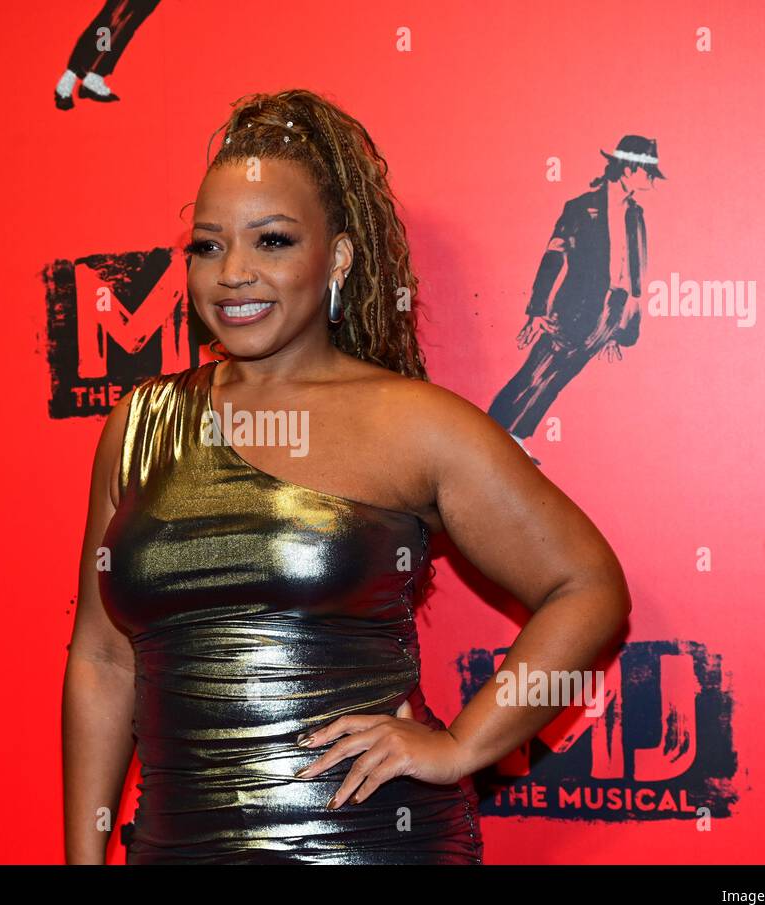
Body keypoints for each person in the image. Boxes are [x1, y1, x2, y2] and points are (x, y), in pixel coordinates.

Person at [62, 90, 631, 864]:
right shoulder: (139, 425)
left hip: (369, 845)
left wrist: (463, 744)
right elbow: (102, 661)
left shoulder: (413, 422)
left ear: (337, 259)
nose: (234, 274)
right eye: (207, 245)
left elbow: (588, 587)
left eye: (272, 242)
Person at [488, 135, 664, 464]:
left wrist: (621, 327)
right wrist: (538, 309)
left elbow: (635, 274)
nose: (652, 178)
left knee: (559, 378)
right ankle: (489, 437)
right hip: (575, 308)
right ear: (628, 169)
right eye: (648, 171)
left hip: (611, 312)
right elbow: (553, 256)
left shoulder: (635, 214)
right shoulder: (582, 207)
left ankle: (517, 439)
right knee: (536, 371)